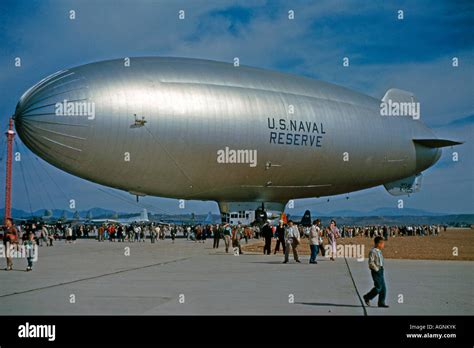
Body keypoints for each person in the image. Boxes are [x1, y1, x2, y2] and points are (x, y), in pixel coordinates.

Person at [363, 236, 389, 308]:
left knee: (383, 288)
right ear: (378, 244)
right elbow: (371, 262)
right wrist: (376, 269)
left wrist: (381, 268)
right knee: (378, 287)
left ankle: (381, 302)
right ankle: (367, 297)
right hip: (376, 271)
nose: (383, 245)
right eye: (382, 243)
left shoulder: (379, 251)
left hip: (381, 270)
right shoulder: (373, 251)